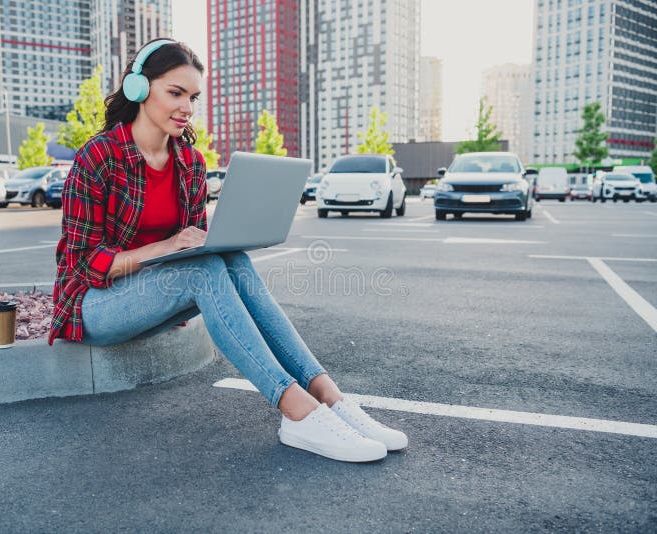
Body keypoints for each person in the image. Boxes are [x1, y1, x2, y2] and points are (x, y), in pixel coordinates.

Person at [49, 38, 408, 462]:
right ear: (139, 89)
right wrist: (167, 246)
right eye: (175, 93)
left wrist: (211, 241)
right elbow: (84, 264)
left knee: (230, 259)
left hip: (151, 295)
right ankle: (296, 411)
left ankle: (329, 396)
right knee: (202, 272)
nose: (187, 107)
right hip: (93, 306)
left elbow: (194, 248)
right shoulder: (99, 157)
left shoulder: (190, 162)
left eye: (194, 97)